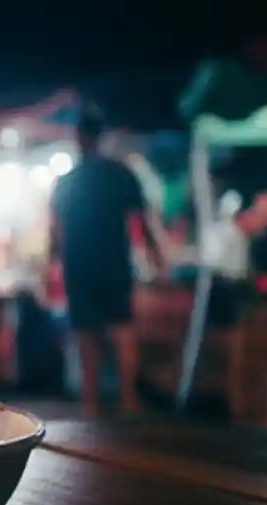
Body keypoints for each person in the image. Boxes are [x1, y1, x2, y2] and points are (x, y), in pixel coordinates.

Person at [49, 106, 164, 415]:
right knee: (121, 330)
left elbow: (55, 231)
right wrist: (157, 257)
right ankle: (127, 398)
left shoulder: (67, 181)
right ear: (101, 137)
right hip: (113, 263)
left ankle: (91, 401)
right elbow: (142, 220)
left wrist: (52, 266)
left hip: (79, 266)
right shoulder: (120, 173)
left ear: (79, 137)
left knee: (87, 335)